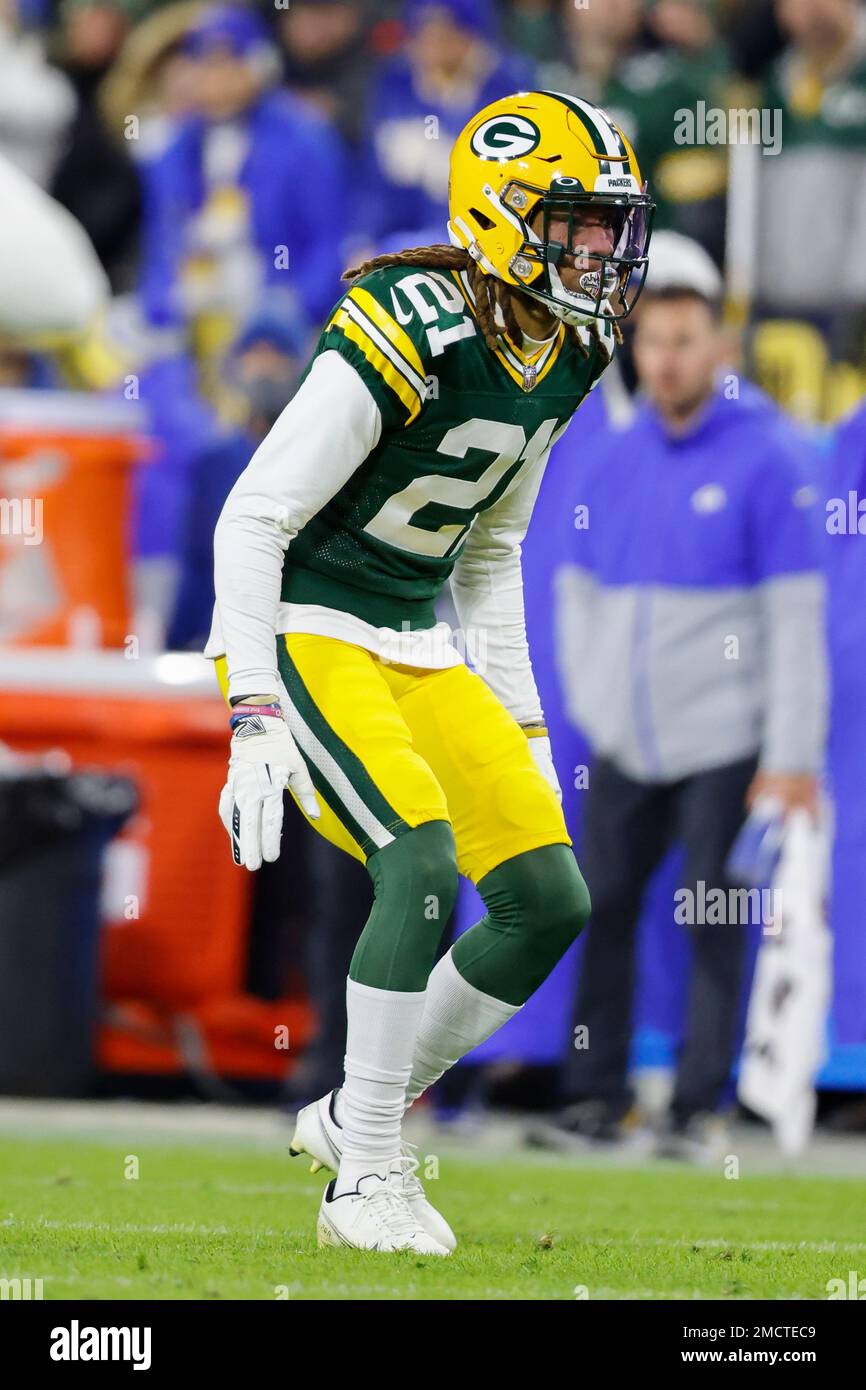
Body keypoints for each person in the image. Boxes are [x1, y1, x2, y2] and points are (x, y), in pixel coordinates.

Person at [206, 91, 653, 1253]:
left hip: (415, 634)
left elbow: (492, 546)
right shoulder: (409, 316)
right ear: (504, 216)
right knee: (416, 863)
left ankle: (353, 1118)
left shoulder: (573, 342)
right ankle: (363, 1174)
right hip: (308, 622)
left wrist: (521, 723)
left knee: (546, 898)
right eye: (580, 223)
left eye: (612, 226)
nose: (603, 252)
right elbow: (253, 516)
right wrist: (251, 709)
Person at [548, 239, 828, 1158]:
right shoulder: (613, 460)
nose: (666, 357)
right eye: (651, 338)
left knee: (713, 922)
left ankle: (699, 1107)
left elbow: (795, 622)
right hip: (625, 743)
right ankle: (592, 1098)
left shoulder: (770, 458)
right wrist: (597, 709)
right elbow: (576, 599)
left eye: (685, 338)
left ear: (722, 346)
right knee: (602, 910)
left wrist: (786, 755)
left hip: (724, 743)